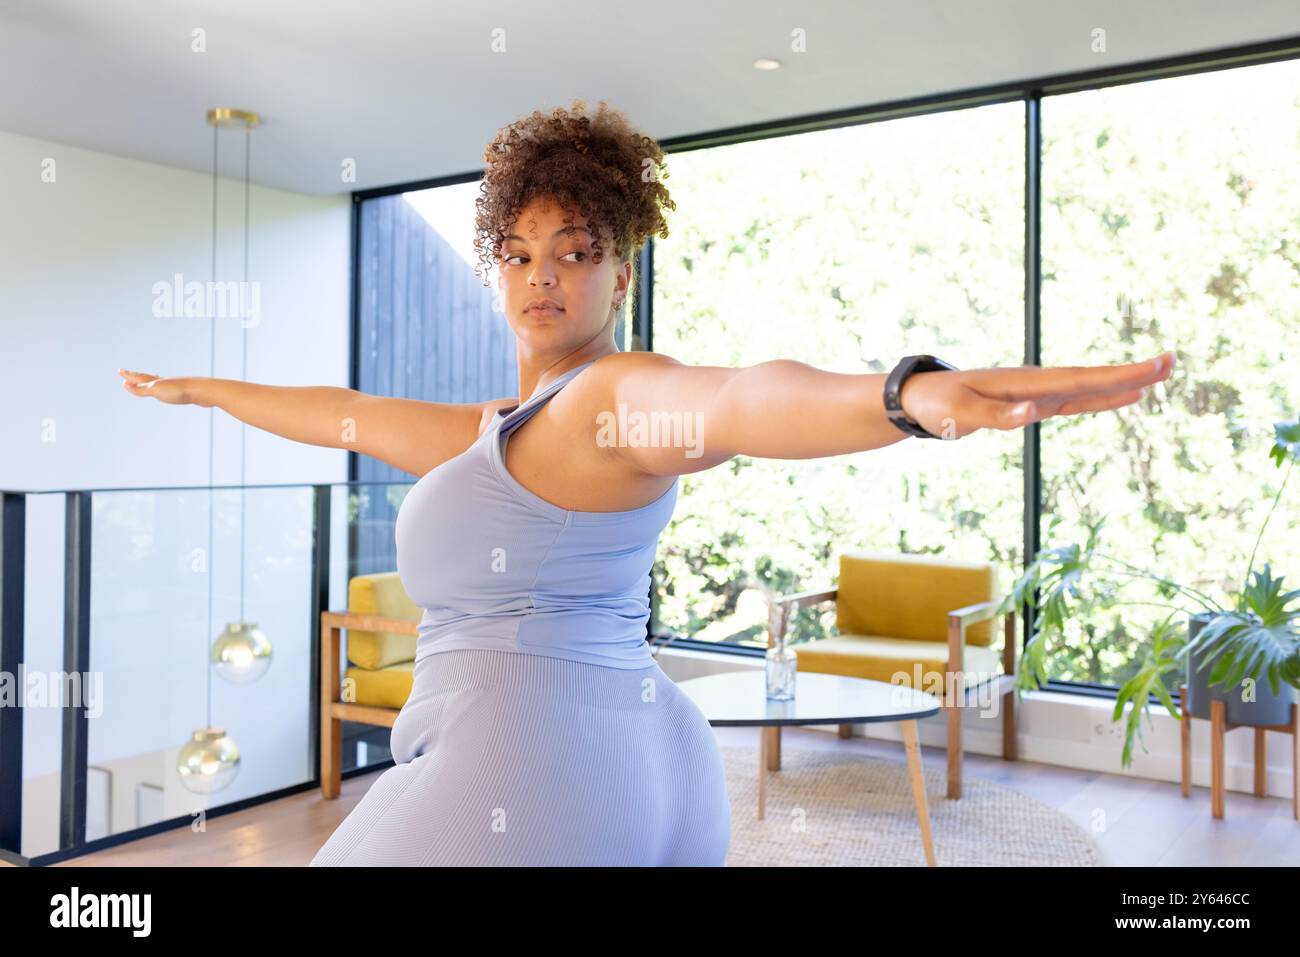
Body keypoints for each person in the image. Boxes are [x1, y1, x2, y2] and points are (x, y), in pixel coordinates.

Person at [120, 99, 1175, 866]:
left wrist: (900, 395)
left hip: (529, 764)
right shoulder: (503, 431)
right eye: (520, 253)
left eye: (574, 253)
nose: (542, 276)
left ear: (620, 274)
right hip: (641, 759)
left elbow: (739, 403)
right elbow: (341, 411)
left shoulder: (608, 400)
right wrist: (207, 389)